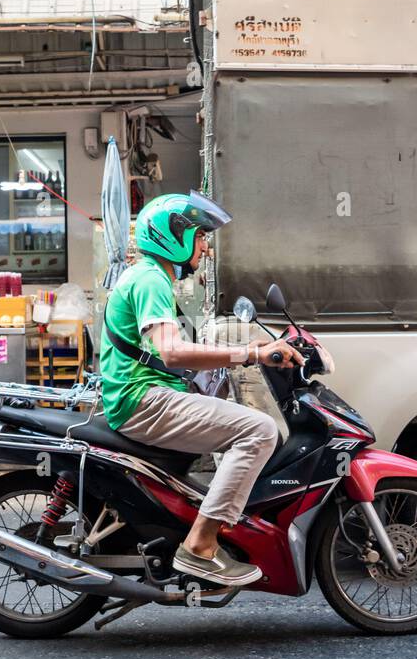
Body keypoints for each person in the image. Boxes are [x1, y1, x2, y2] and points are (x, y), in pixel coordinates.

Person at [100, 191, 303, 587]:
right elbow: (172, 353)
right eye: (199, 237)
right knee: (260, 430)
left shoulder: (151, 278)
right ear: (172, 238)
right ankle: (200, 546)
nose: (205, 248)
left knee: (235, 418)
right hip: (144, 401)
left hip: (146, 395)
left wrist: (249, 352)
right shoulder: (150, 280)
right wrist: (251, 355)